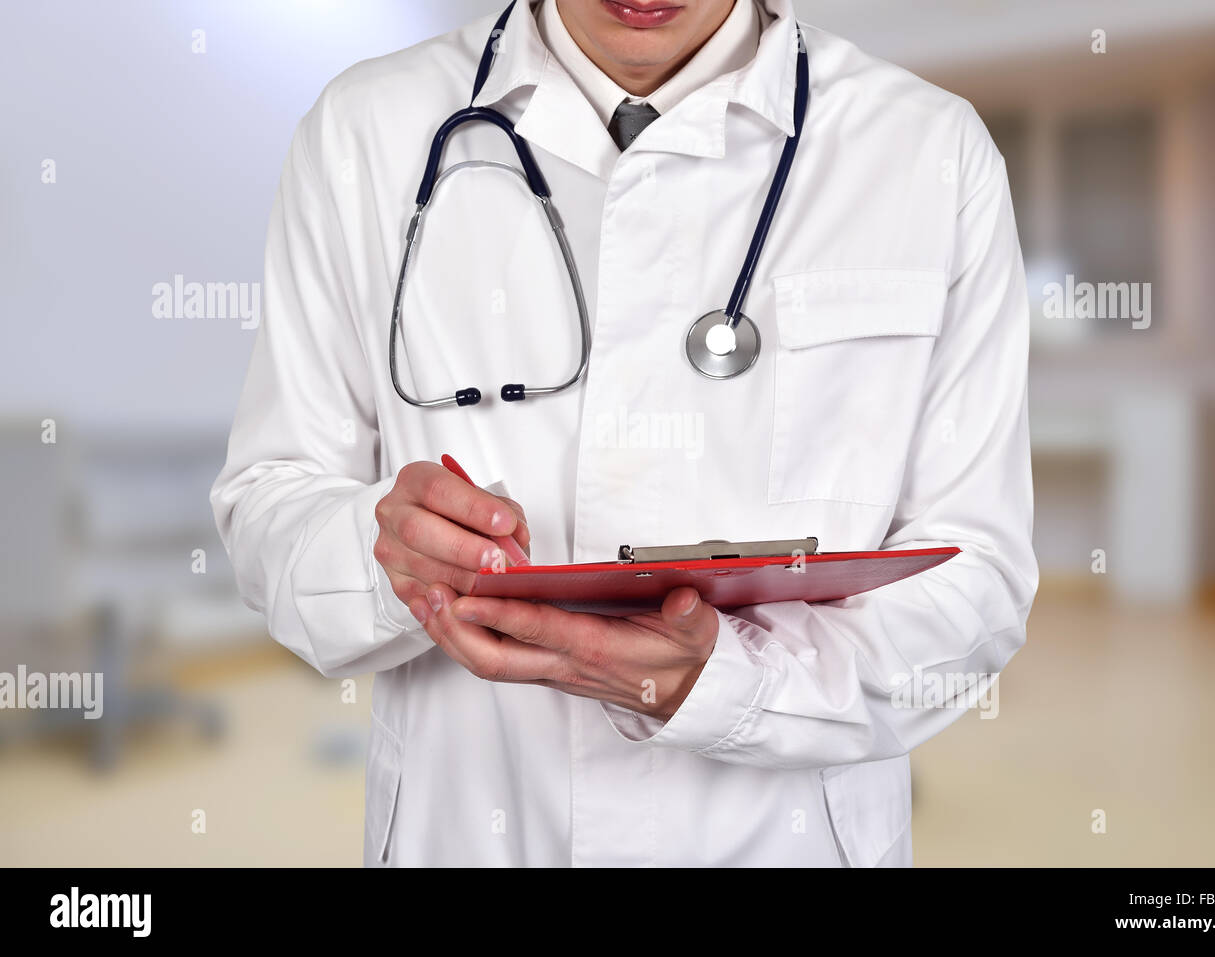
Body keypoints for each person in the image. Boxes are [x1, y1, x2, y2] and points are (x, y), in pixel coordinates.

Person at [212, 0, 1037, 867]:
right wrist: (387, 559)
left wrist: (731, 688)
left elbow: (974, 579)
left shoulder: (929, 151)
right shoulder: (363, 132)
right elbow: (271, 507)